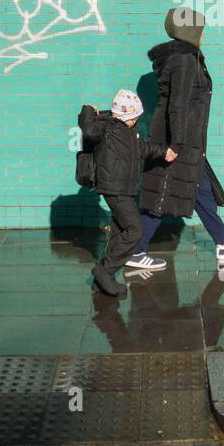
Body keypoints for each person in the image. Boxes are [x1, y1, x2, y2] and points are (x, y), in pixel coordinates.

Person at [125, 6, 224, 271]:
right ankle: (136, 250)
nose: (203, 34)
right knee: (162, 193)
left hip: (188, 142)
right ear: (190, 31)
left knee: (199, 188)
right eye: (200, 29)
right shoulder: (184, 61)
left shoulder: (187, 58)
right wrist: (176, 146)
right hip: (180, 142)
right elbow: (177, 106)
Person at [79, 90, 177, 296]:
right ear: (127, 116)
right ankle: (105, 270)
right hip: (114, 188)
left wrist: (162, 152)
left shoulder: (130, 132)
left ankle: (103, 279)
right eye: (135, 118)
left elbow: (141, 149)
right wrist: (88, 110)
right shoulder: (104, 127)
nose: (136, 121)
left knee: (119, 231)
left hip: (124, 188)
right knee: (134, 231)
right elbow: (88, 130)